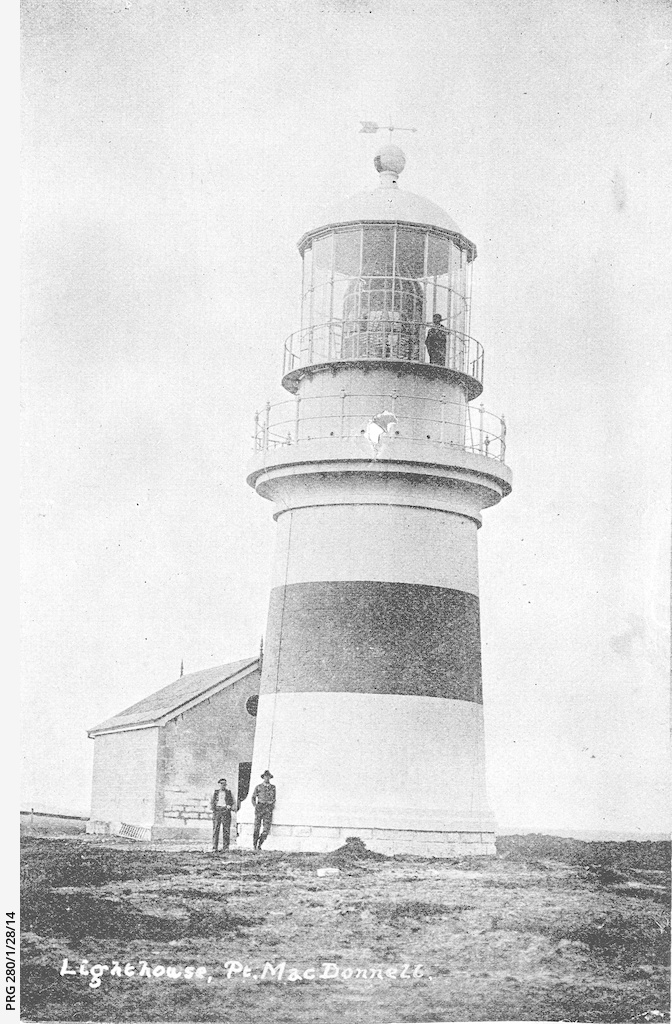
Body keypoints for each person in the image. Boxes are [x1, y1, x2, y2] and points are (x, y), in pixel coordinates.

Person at [251, 770, 276, 851]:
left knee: (266, 829)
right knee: (256, 827)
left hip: (268, 808)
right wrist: (256, 806)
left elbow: (274, 798)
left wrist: (271, 804)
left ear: (270, 777)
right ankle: (254, 845)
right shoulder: (258, 787)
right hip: (260, 807)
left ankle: (260, 843)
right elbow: (253, 797)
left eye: (268, 776)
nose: (267, 778)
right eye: (265, 776)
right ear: (263, 777)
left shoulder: (273, 787)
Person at [210, 777, 234, 853]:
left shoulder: (229, 792)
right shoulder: (215, 792)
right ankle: (214, 846)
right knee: (216, 829)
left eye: (224, 784)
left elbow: (232, 802)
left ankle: (226, 847)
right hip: (217, 811)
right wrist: (213, 808)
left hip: (225, 811)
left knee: (226, 829)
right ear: (219, 784)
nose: (223, 785)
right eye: (221, 784)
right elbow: (212, 801)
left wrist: (229, 806)